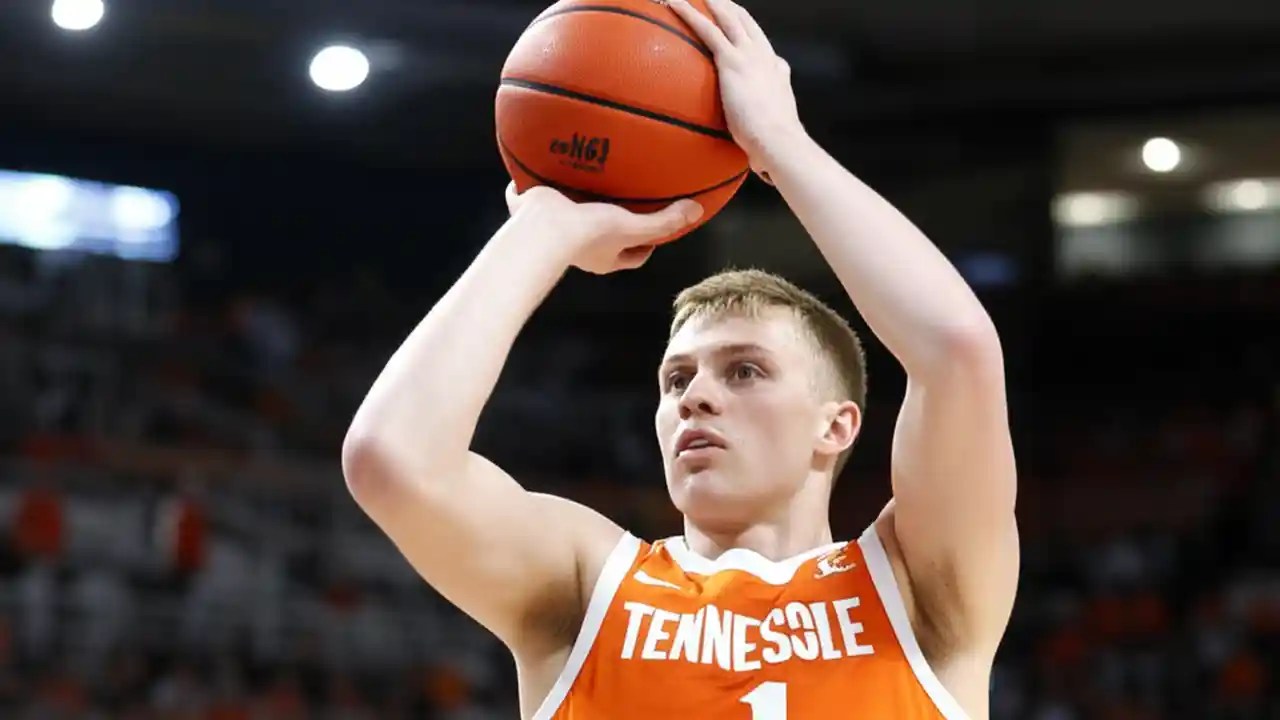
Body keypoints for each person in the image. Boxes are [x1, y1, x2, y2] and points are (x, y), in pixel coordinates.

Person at [341, 0, 1019, 717]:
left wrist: (783, 148)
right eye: (676, 378)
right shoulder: (586, 586)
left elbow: (958, 350)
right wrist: (545, 228)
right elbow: (393, 461)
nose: (694, 397)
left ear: (837, 425)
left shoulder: (915, 589)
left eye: (745, 370)